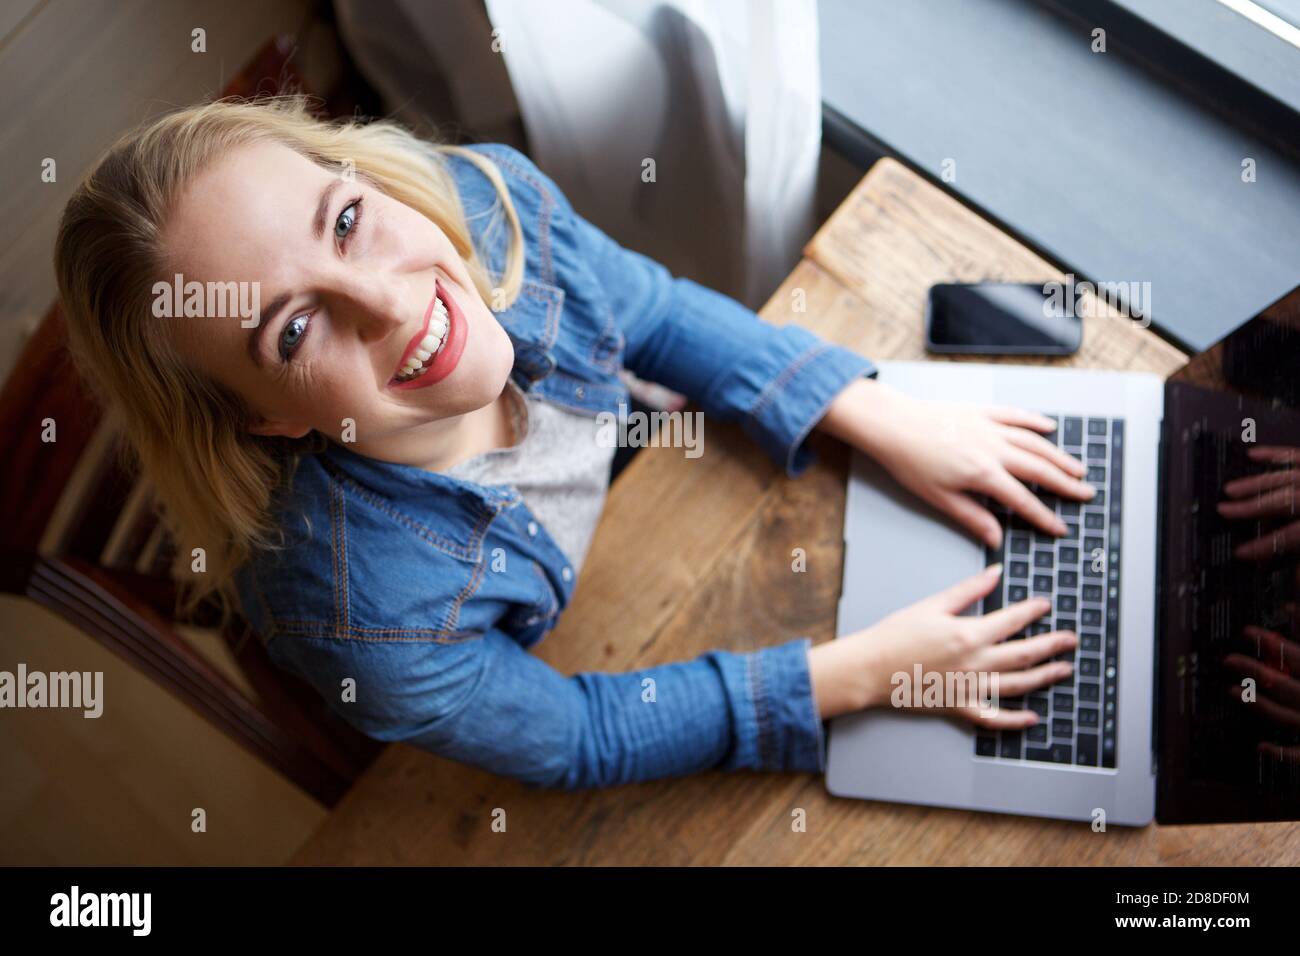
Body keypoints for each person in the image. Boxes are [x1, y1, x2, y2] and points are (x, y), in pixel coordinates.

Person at [54, 96, 1094, 788]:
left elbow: (644, 309)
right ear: (267, 419)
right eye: (292, 329)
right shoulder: (363, 622)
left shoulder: (481, 204)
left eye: (343, 221)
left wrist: (864, 406)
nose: (390, 302)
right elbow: (576, 735)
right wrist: (856, 674)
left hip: (643, 490)